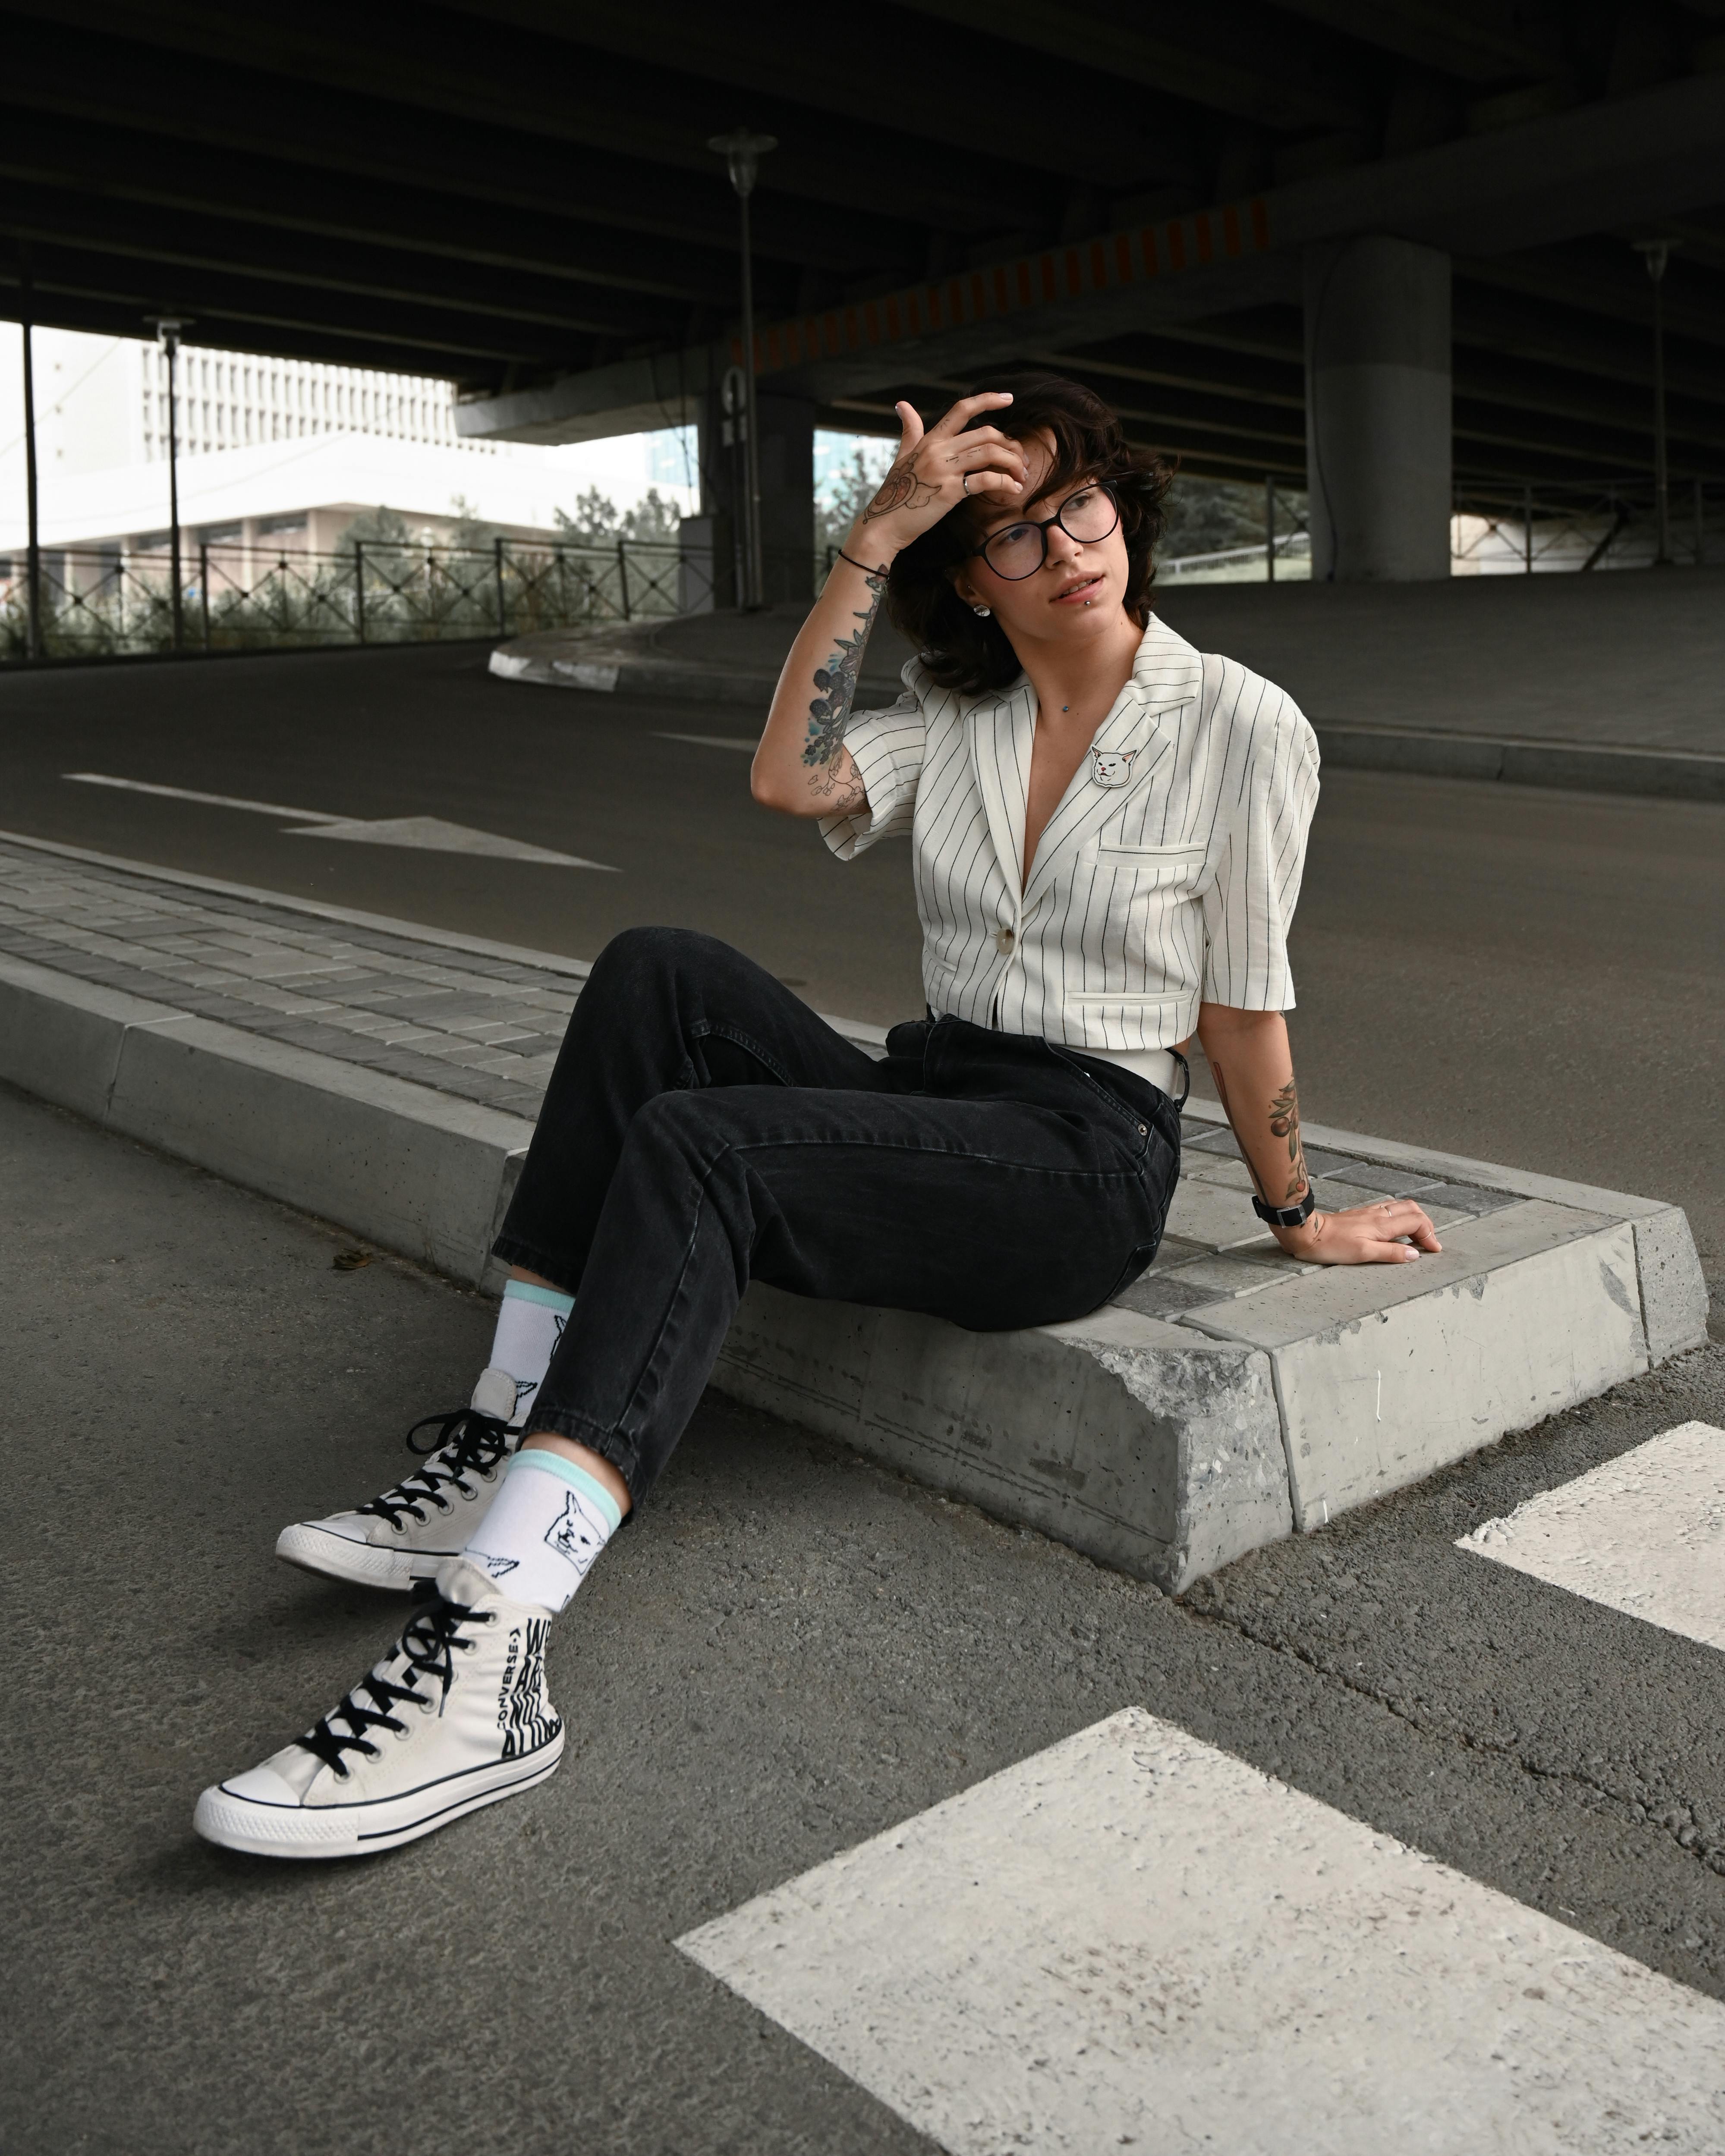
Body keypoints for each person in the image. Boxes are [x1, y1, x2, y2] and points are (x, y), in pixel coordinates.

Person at [195, 374, 1439, 1860]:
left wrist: (1297, 1216)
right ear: (970, 582)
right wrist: (870, 541)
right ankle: (500, 1436)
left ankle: (490, 1653)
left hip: (1082, 1156)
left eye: (1080, 507)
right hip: (935, 1093)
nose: (1068, 552)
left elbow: (1242, 1009)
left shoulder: (1242, 722)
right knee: (659, 974)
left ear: (1123, 503)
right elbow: (788, 778)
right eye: (1015, 539)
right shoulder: (961, 712)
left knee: (700, 1146)